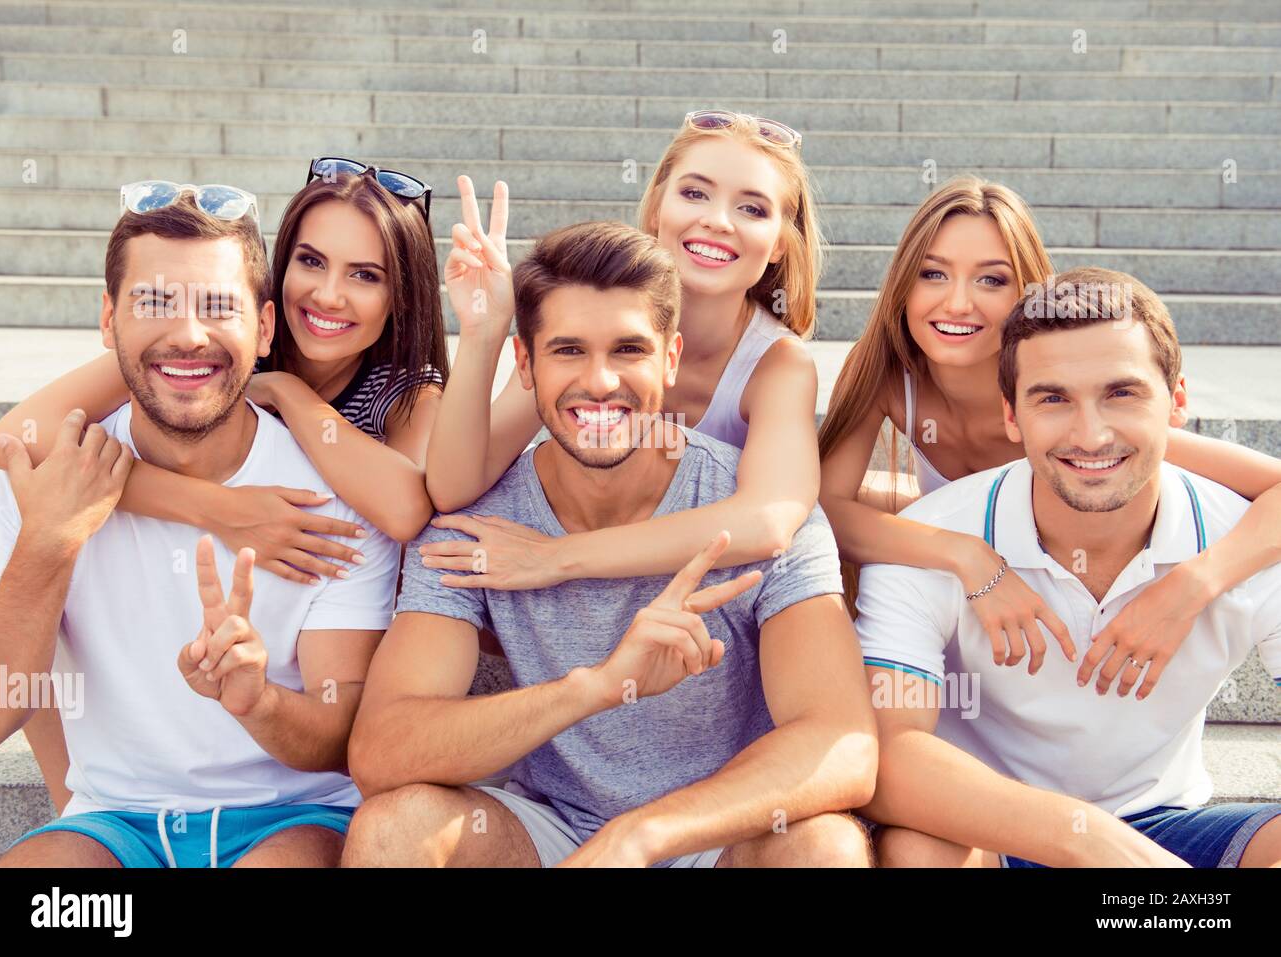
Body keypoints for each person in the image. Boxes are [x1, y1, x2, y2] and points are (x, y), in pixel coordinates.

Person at [342, 221, 877, 868]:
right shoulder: (481, 524)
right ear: (525, 364)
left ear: (670, 359)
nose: (599, 381)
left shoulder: (754, 507)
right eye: (568, 350)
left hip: (715, 833)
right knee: (393, 827)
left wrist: (640, 835)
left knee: (827, 847)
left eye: (628, 349)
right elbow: (381, 751)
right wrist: (594, 686)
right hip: (553, 832)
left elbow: (843, 746)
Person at [0, 164, 445, 812]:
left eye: (366, 275)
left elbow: (400, 507)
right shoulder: (191, 345)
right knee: (39, 537)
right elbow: (12, 442)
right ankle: (74, 801)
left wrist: (284, 390)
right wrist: (219, 510)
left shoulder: (403, 389)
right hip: (121, 759)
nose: (329, 294)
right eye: (310, 261)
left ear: (403, 297)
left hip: (312, 686)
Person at [853, 268, 1281, 868]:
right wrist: (1085, 841)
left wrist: (1192, 583)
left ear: (1177, 401)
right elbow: (890, 755)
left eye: (1121, 393)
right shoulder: (931, 537)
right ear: (1011, 415)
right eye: (1053, 398)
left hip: (1167, 825)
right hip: (992, 830)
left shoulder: (1248, 544)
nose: (1091, 433)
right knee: (916, 850)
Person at [818, 176, 1281, 698]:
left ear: (1029, 295)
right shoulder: (886, 367)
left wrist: (1191, 584)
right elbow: (824, 510)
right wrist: (968, 556)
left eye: (992, 280)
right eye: (932, 274)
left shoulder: (1067, 405)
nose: (957, 303)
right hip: (953, 532)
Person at [419, 110, 824, 590]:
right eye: (694, 193)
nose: (716, 221)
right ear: (656, 209)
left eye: (752, 208)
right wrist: (484, 330)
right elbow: (453, 488)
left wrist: (557, 558)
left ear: (780, 242)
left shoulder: (777, 364)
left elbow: (769, 521)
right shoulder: (589, 319)